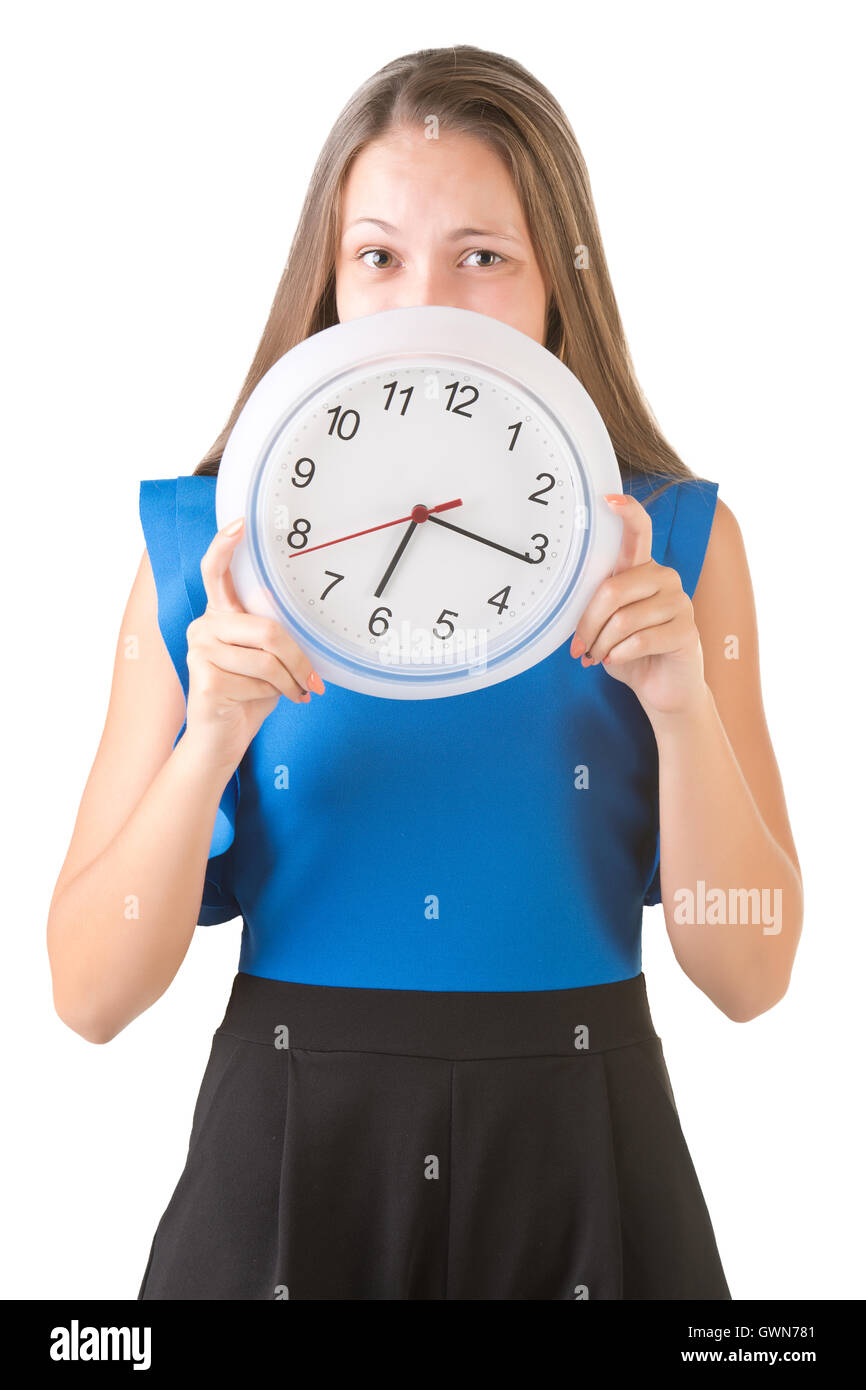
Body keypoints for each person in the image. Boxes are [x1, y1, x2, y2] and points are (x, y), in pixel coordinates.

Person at [46, 44, 803, 1300]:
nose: (425, 303)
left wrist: (679, 707)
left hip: (583, 1149)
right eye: (380, 255)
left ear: (561, 282)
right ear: (331, 283)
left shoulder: (676, 546)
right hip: (292, 1147)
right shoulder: (202, 553)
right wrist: (210, 738)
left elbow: (751, 975)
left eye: (482, 255)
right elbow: (88, 992)